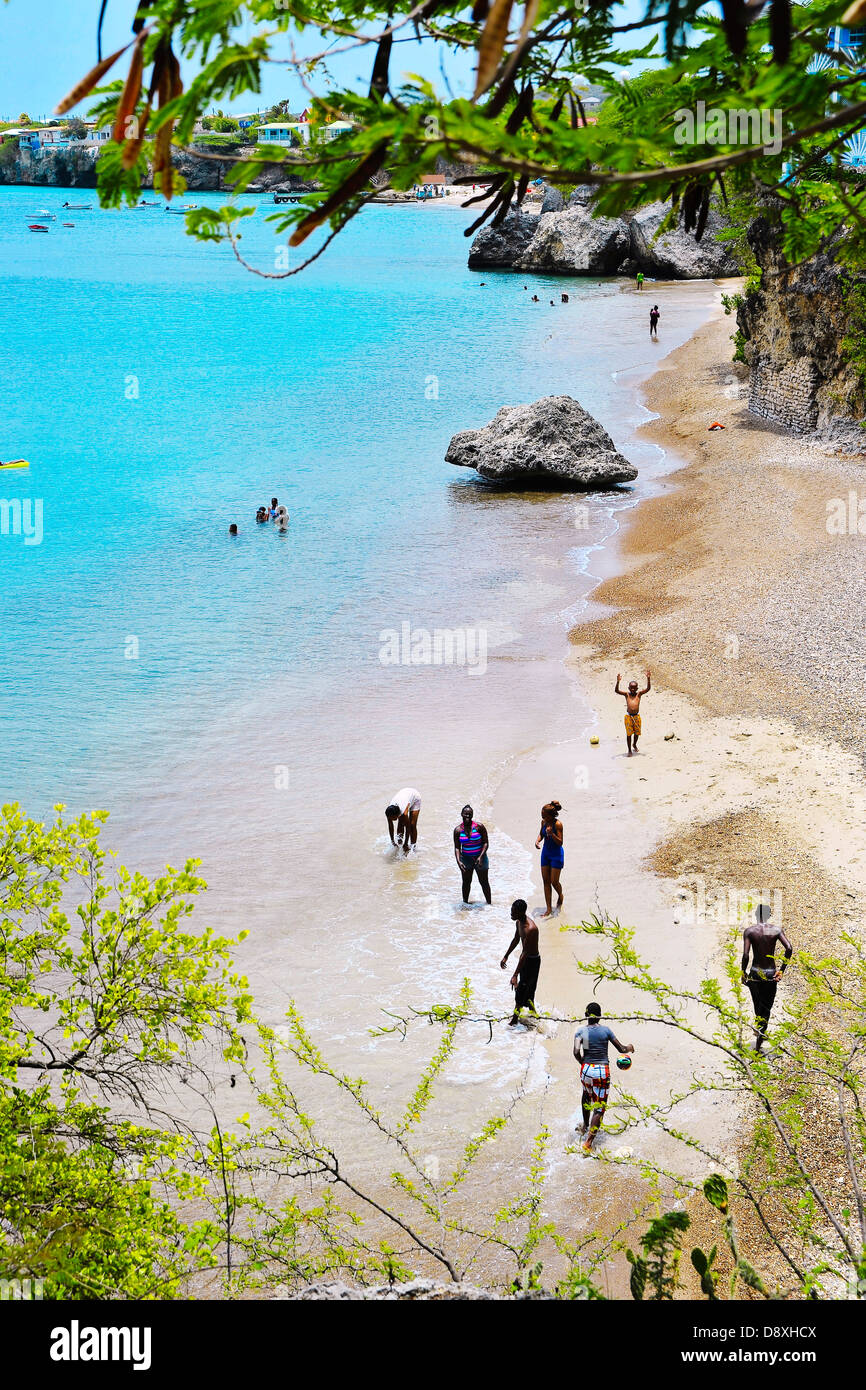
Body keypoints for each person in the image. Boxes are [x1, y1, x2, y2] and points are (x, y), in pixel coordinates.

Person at [574, 1002, 634, 1154]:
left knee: (586, 1096)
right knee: (599, 1107)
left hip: (586, 1070)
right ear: (599, 1016)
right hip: (601, 1071)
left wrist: (585, 1064)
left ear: (586, 1015)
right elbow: (621, 1049)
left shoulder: (582, 1032)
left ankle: (585, 1126)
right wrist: (630, 1047)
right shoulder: (606, 1031)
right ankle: (588, 1142)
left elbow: (576, 1052)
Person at [741, 904, 793, 1052]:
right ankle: (760, 1037)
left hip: (755, 973)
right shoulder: (776, 930)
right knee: (766, 1008)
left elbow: (745, 955)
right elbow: (789, 948)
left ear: (756, 915)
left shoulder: (750, 931)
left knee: (758, 1006)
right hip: (770, 973)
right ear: (769, 915)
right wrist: (782, 970)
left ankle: (759, 1035)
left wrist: (743, 972)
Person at [500, 899, 540, 1026]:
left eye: (514, 912)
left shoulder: (531, 929)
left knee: (524, 989)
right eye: (511, 911)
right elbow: (516, 939)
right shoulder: (518, 922)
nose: (511, 914)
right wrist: (506, 956)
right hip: (526, 959)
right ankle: (534, 1015)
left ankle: (514, 1020)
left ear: (522, 912)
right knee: (525, 989)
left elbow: (525, 953)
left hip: (532, 961)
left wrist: (515, 975)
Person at [453, 804, 491, 905]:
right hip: (466, 859)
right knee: (466, 883)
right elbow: (457, 847)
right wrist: (458, 861)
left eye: (470, 814)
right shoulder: (457, 830)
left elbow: (486, 843)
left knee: (484, 882)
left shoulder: (479, 827)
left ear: (472, 815)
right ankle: (465, 904)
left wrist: (481, 856)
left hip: (481, 858)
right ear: (461, 814)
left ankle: (489, 905)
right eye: (465, 814)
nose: (467, 816)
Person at [535, 800, 563, 918]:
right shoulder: (543, 822)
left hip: (556, 855)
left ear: (550, 815)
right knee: (546, 882)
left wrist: (552, 834)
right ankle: (548, 908)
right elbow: (541, 834)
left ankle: (560, 895)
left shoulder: (558, 825)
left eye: (544, 813)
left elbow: (560, 842)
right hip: (545, 854)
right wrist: (537, 840)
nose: (542, 815)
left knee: (554, 881)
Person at [615, 668, 651, 755]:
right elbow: (616, 691)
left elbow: (648, 689)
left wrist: (648, 679)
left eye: (634, 688)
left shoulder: (639, 694)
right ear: (629, 688)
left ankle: (634, 744)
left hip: (636, 716)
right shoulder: (626, 694)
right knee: (629, 734)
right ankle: (629, 750)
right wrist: (618, 682)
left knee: (637, 733)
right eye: (631, 688)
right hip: (628, 717)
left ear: (637, 688)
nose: (633, 690)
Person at [385, 788, 421, 855]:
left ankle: (413, 848)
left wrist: (406, 843)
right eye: (391, 819)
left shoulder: (403, 813)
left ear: (398, 814)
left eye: (394, 818)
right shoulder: (389, 812)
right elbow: (390, 826)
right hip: (405, 797)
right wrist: (392, 841)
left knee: (412, 825)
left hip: (415, 797)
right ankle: (400, 844)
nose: (392, 820)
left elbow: (408, 827)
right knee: (401, 822)